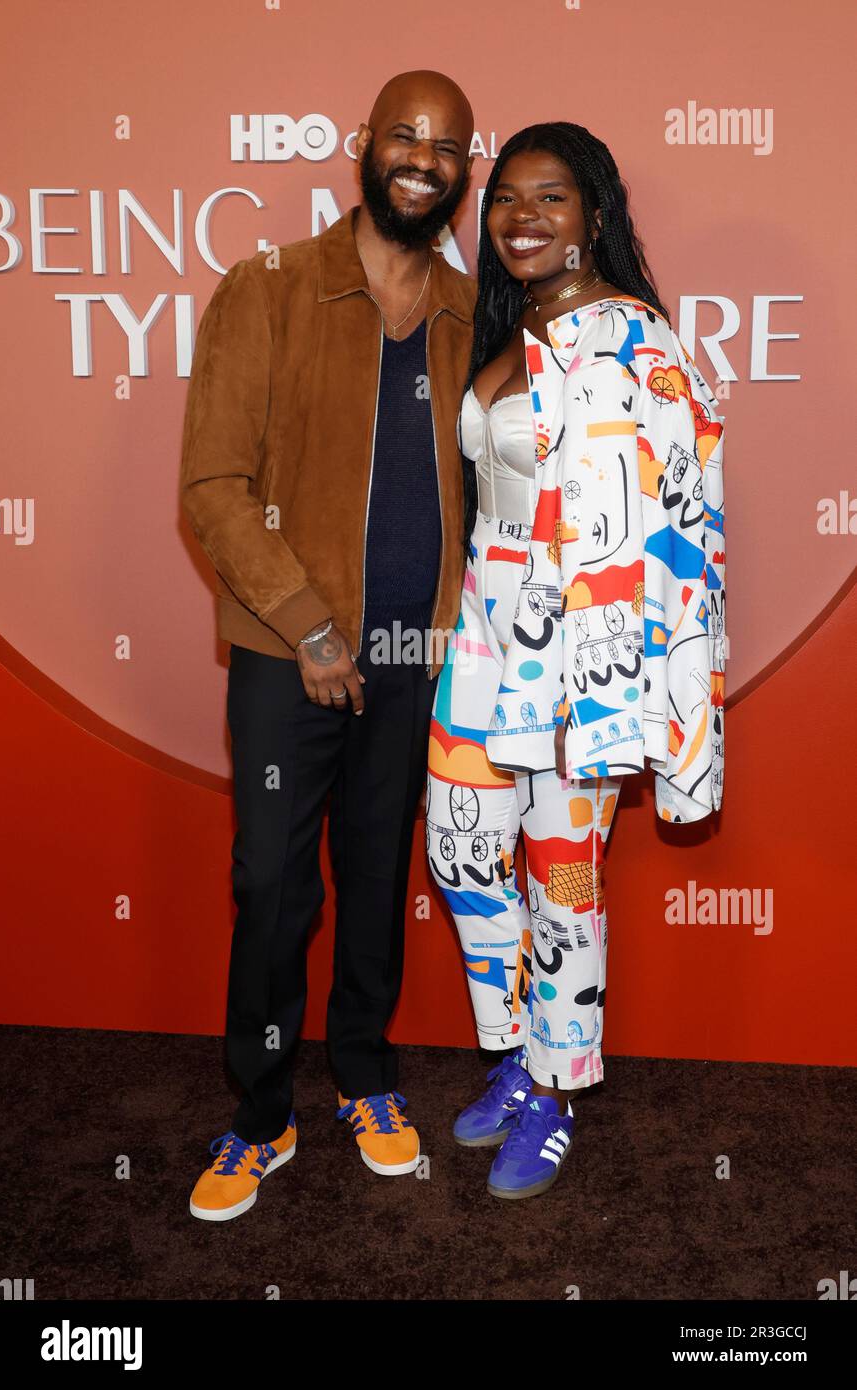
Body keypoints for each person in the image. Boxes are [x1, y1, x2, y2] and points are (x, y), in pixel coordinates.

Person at [180, 70, 477, 1221]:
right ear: (362, 145)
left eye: (445, 145)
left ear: (463, 169)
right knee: (269, 885)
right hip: (282, 649)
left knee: (373, 877)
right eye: (403, 133)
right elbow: (212, 484)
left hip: (414, 659)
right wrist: (307, 623)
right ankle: (257, 1114)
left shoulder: (465, 315)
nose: (421, 156)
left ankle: (363, 1076)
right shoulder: (267, 289)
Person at [425, 122, 726, 1200]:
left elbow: (685, 516)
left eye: (549, 198)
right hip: (479, 633)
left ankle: (553, 1088)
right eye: (504, 198)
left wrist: (652, 686)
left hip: (580, 655)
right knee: (463, 858)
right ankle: (515, 1047)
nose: (521, 218)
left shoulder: (634, 339)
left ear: (593, 213)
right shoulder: (499, 331)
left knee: (562, 881)